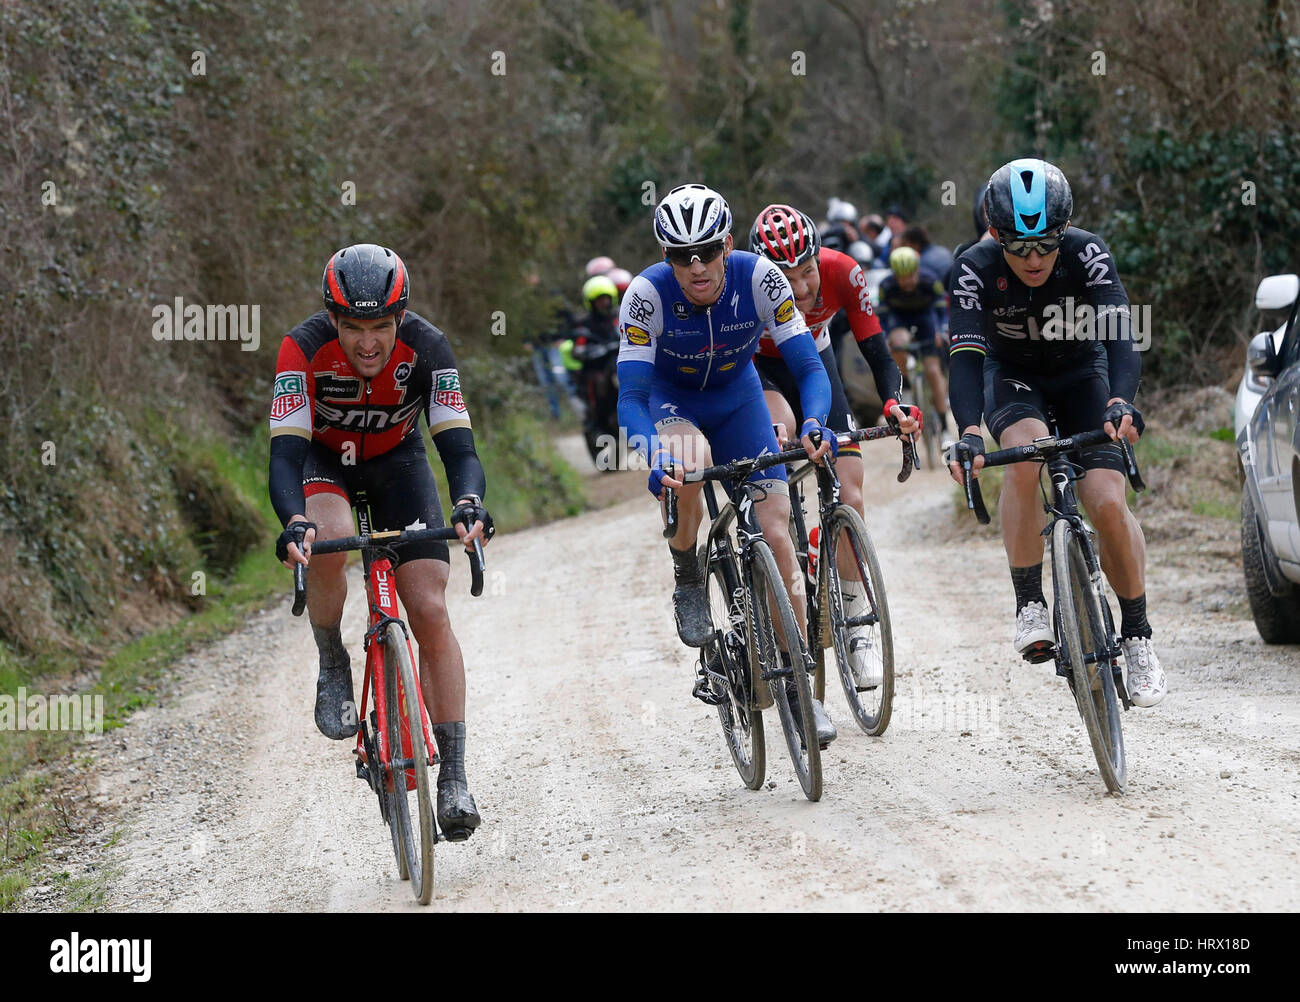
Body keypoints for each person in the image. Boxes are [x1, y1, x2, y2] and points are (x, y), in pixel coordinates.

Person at [268, 243, 494, 839]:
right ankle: (332, 656)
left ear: (401, 320)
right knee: (331, 536)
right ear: (333, 321)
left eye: (381, 328)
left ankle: (454, 778)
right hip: (324, 462)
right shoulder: (302, 348)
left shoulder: (430, 348)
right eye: (352, 328)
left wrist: (468, 504)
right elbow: (285, 455)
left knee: (428, 607)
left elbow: (459, 450)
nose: (367, 343)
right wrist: (294, 521)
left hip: (399, 462)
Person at [617, 183, 840, 744]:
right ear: (664, 257)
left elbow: (811, 369)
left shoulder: (761, 277)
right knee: (689, 462)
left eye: (707, 252)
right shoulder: (645, 296)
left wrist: (813, 421)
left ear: (727, 245)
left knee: (778, 530)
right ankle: (688, 569)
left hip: (740, 397)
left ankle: (797, 689)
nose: (696, 266)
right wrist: (653, 454)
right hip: (675, 402)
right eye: (679, 256)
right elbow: (630, 399)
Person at [945, 159, 1166, 707]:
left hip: (1081, 373)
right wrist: (969, 430)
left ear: (1063, 230)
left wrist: (1121, 401)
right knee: (1023, 455)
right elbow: (967, 360)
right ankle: (1030, 603)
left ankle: (1137, 634)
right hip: (1013, 376)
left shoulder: (1087, 252)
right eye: (1018, 248)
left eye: (1045, 244)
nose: (1035, 259)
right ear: (995, 234)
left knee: (1106, 501)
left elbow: (1120, 336)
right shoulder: (974, 267)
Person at [748, 204, 920, 689]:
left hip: (816, 366)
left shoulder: (844, 271)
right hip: (763, 371)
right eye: (785, 280)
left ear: (818, 258)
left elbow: (876, 349)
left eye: (806, 273)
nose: (801, 290)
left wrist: (892, 403)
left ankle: (856, 621)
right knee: (780, 431)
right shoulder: (746, 288)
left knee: (852, 494)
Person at [880, 246, 951, 433]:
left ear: (917, 270)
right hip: (900, 320)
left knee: (934, 371)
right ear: (895, 275)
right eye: (902, 277)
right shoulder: (886, 287)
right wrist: (886, 337)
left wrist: (942, 330)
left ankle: (944, 426)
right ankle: (907, 382)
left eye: (911, 275)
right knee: (897, 343)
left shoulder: (930, 280)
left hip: (926, 321)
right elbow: (883, 316)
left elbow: (942, 309)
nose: (907, 281)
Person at [573, 274, 622, 444]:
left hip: (618, 363)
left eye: (606, 299)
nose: (604, 303)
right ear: (591, 302)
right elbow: (578, 348)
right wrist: (591, 351)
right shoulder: (584, 323)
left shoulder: (619, 316)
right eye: (599, 300)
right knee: (597, 382)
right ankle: (596, 422)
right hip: (597, 368)